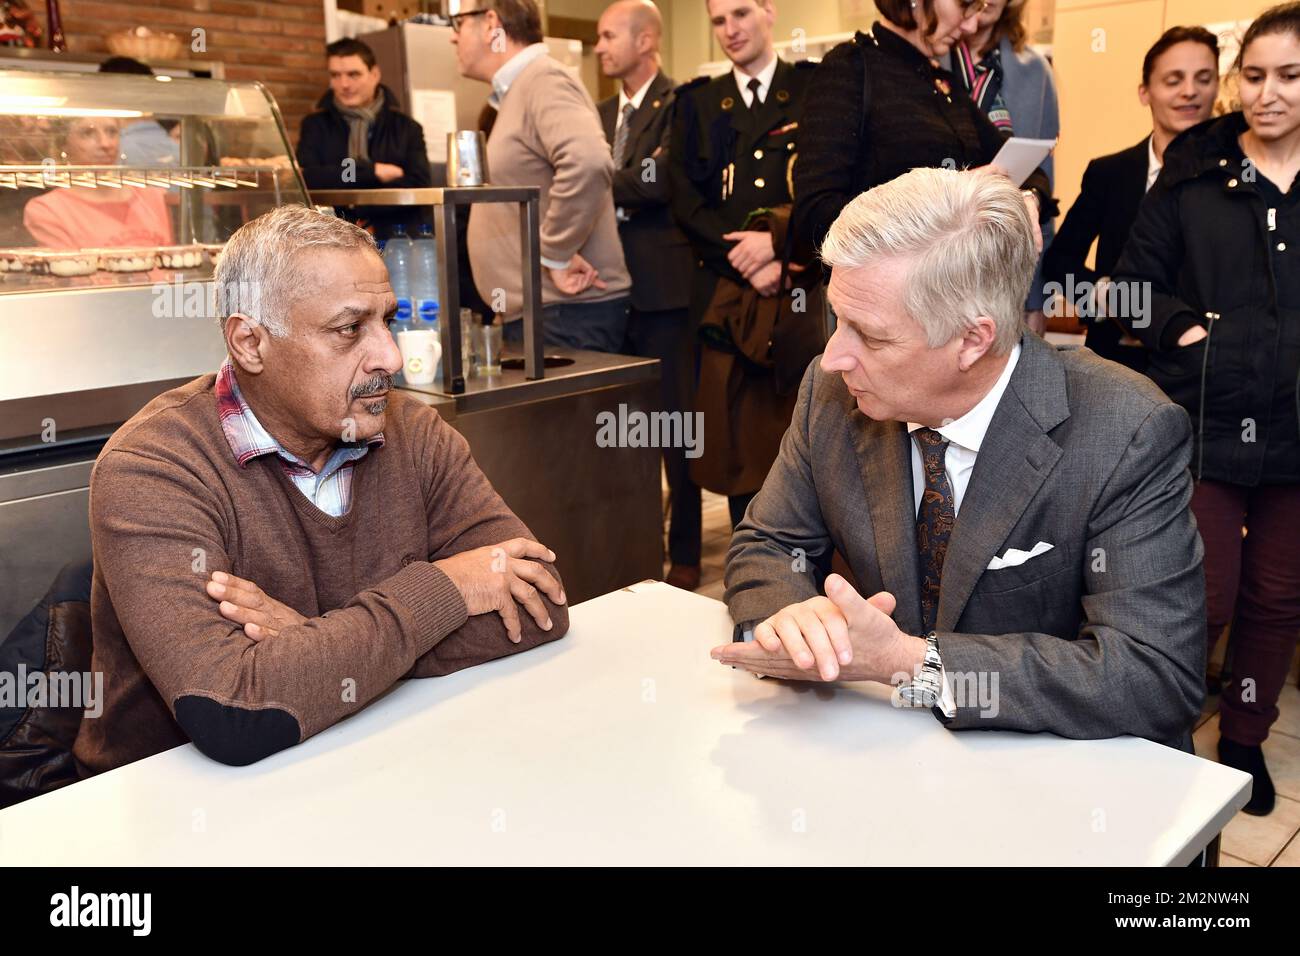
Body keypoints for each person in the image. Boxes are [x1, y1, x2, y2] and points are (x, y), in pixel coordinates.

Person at [715, 167, 1205, 753]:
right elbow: (767, 542)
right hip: (883, 759)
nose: (832, 359)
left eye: (869, 335)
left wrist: (911, 663)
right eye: (835, 319)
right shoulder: (833, 396)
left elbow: (1152, 675)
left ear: (973, 340)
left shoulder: (1127, 430)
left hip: (1060, 786)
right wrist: (796, 619)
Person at [73, 205, 569, 775]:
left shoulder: (415, 431)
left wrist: (313, 645)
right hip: (181, 810)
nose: (390, 356)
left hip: (365, 760)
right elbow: (235, 711)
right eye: (349, 329)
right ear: (250, 343)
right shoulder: (153, 467)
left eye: (388, 319)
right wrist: (447, 589)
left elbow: (543, 605)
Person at [1112, 2, 1300, 815]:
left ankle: (1247, 738)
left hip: (1297, 436)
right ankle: (1168, 735)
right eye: (1253, 75)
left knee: (1278, 597)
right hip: (1206, 428)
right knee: (1204, 594)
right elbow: (1127, 286)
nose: (1267, 93)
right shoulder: (1196, 174)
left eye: (1290, 76)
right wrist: (1182, 328)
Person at [669, 0, 823, 530]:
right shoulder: (697, 103)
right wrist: (747, 257)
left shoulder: (812, 90)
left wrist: (781, 249)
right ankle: (754, 564)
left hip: (800, 293)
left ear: (768, 11)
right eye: (717, 21)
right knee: (741, 449)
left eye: (740, 14)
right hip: (729, 299)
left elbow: (829, 188)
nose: (729, 30)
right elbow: (684, 198)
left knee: (807, 436)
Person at [791, 0, 1053, 276]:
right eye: (964, 6)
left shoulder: (944, 83)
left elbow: (1030, 171)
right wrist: (953, 194)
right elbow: (814, 218)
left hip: (957, 295)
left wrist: (1027, 199)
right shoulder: (850, 67)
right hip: (884, 300)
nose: (971, 26)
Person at [452, 0, 632, 352]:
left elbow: (589, 161)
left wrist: (555, 254)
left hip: (565, 315)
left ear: (492, 23)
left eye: (458, 23)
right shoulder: (518, 89)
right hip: (544, 313)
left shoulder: (544, 78)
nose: (452, 37)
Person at [595, 0, 702, 590]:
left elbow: (660, 182)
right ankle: (634, 553)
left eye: (610, 35)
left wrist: (595, 177)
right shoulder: (600, 110)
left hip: (664, 293)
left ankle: (685, 552)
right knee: (621, 429)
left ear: (647, 39)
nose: (600, 46)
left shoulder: (679, 103)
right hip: (608, 290)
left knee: (675, 427)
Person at [1044, 27, 1219, 372]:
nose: (1190, 92)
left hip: (1203, 364)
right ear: (1145, 92)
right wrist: (1108, 298)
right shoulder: (1111, 173)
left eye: (1203, 79)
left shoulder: (1239, 177)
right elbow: (1059, 262)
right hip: (1117, 362)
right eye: (1173, 80)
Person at [942, 0, 1058, 330]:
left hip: (1011, 262)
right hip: (941, 260)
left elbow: (1043, 182)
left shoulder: (1036, 70)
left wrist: (1037, 298)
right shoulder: (923, 63)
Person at [296, 38, 432, 239]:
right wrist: (373, 172)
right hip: (330, 238)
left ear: (375, 74)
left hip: (397, 239)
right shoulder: (315, 125)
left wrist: (359, 203)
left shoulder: (406, 128)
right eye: (335, 75)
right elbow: (308, 179)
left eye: (353, 74)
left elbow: (418, 186)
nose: (344, 84)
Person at [23, 115, 173, 249]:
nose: (105, 144)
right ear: (64, 144)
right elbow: (69, 276)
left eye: (111, 132)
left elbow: (177, 269)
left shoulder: (153, 196)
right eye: (88, 134)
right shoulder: (48, 210)